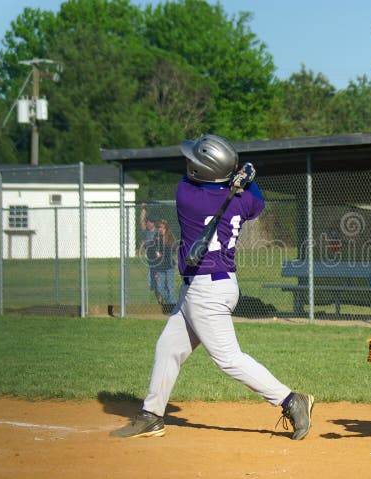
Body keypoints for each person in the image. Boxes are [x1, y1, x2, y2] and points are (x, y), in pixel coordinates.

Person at [112, 134, 314, 440]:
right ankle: (152, 415)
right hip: (214, 284)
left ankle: (290, 399)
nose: (188, 163)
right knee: (168, 348)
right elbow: (256, 201)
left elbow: (193, 179)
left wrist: (233, 175)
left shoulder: (186, 195)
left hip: (206, 291)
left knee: (229, 359)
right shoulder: (244, 199)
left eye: (194, 161)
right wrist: (245, 174)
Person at [140, 206, 177, 310]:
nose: (160, 229)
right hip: (159, 266)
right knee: (160, 287)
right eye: (159, 227)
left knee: (170, 287)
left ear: (166, 229)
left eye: (162, 228)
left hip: (169, 266)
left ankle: (172, 307)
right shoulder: (156, 238)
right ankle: (172, 304)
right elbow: (154, 253)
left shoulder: (170, 238)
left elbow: (172, 251)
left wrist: (161, 254)